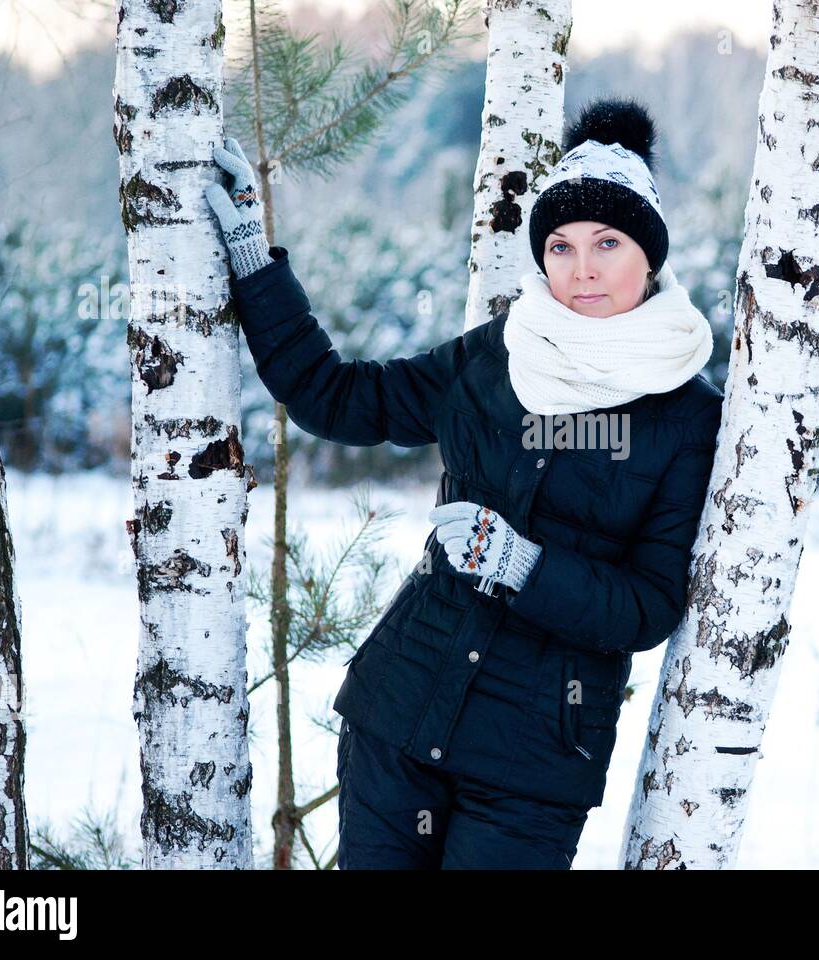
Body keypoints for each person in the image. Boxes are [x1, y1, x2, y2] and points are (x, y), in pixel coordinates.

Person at [206, 96, 723, 869]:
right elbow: (337, 396)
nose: (582, 270)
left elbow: (648, 605)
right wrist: (250, 252)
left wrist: (523, 567)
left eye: (607, 243)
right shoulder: (498, 356)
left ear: (649, 255)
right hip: (398, 717)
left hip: (533, 769)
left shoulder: (688, 414)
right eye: (560, 246)